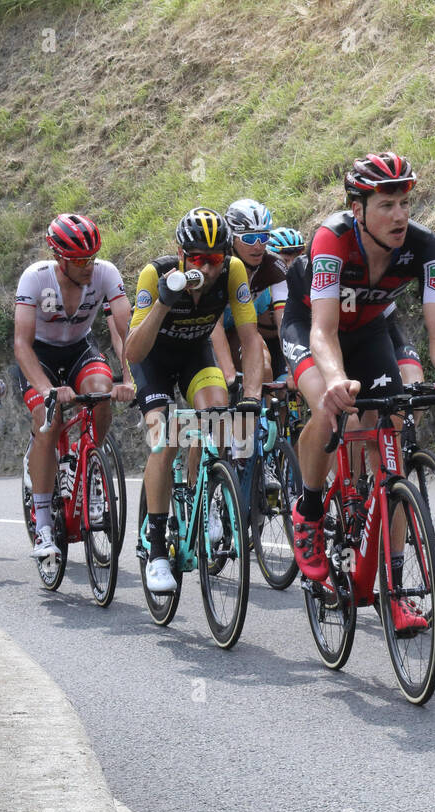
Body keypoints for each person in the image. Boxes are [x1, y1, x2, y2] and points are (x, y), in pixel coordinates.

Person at [281, 152, 435, 627]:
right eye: (386, 204)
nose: (399, 215)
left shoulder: (426, 247)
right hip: (309, 327)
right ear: (358, 208)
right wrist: (334, 380)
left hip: (371, 333)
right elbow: (323, 330)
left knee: (390, 433)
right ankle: (309, 514)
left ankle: (394, 590)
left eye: (404, 203)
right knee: (330, 411)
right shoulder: (331, 240)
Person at [125, 207, 264, 593]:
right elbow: (134, 352)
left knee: (217, 416)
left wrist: (252, 396)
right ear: (182, 254)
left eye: (214, 259)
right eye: (197, 258)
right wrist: (163, 302)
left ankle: (204, 499)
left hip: (193, 355)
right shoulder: (156, 274)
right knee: (165, 437)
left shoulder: (234, 272)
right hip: (153, 360)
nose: (206, 267)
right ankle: (155, 550)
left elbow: (251, 340)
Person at [13, 214, 135, 559]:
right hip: (40, 355)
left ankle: (92, 470)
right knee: (46, 421)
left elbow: (125, 330)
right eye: (80, 260)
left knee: (100, 392)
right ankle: (43, 527)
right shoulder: (35, 279)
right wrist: (47, 389)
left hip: (80, 348)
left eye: (92, 257)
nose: (88, 266)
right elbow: (21, 344)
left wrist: (128, 377)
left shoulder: (106, 274)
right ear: (59, 259)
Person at [211, 199, 289, 387]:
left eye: (263, 237)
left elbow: (285, 321)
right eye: (248, 238)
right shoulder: (218, 267)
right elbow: (215, 326)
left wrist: (292, 368)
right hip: (208, 330)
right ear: (231, 238)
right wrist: (229, 373)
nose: (258, 246)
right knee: (220, 388)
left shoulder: (273, 266)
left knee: (264, 370)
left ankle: (265, 416)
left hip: (242, 328)